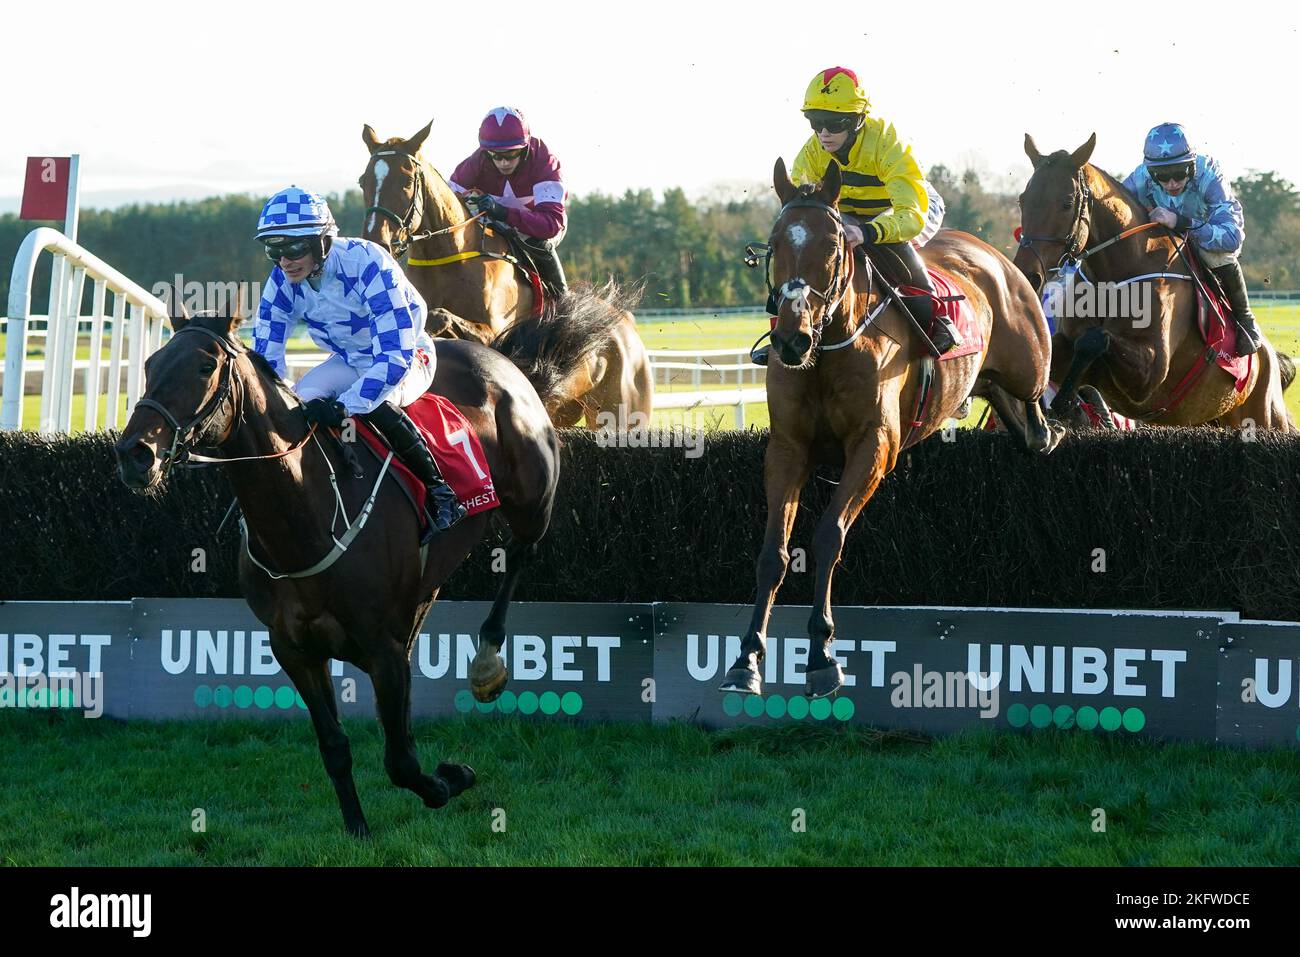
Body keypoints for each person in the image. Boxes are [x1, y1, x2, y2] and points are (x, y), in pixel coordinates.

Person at [251, 186, 466, 534]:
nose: (284, 260)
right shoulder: (282, 279)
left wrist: (344, 406)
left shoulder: (368, 261)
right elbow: (265, 353)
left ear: (322, 241)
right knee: (294, 407)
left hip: (409, 355)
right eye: (273, 249)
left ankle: (442, 494)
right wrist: (277, 397)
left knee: (373, 405)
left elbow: (395, 355)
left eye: (293, 247)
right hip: (350, 359)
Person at [753, 66, 958, 367]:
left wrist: (868, 233)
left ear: (858, 119)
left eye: (834, 123)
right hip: (850, 213)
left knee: (896, 252)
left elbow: (910, 215)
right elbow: (799, 208)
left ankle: (935, 322)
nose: (824, 133)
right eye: (815, 122)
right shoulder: (812, 152)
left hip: (909, 209)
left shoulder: (889, 144)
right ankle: (784, 331)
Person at [1122, 123, 1260, 356]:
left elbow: (1231, 238)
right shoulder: (1140, 178)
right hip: (1163, 239)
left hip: (1205, 241)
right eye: (1162, 177)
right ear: (1150, 172)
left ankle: (1245, 320)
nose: (1171, 184)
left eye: (1179, 173)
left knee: (1217, 253)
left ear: (1192, 166)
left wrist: (1182, 222)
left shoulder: (1209, 175)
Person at [449, 106, 569, 296]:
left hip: (538, 229)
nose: (504, 163)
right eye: (496, 156)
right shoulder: (476, 162)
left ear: (525, 147)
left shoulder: (544, 161)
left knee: (538, 244)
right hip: (494, 225)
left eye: (511, 154)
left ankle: (562, 302)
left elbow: (551, 225)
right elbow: (446, 203)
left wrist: (504, 212)